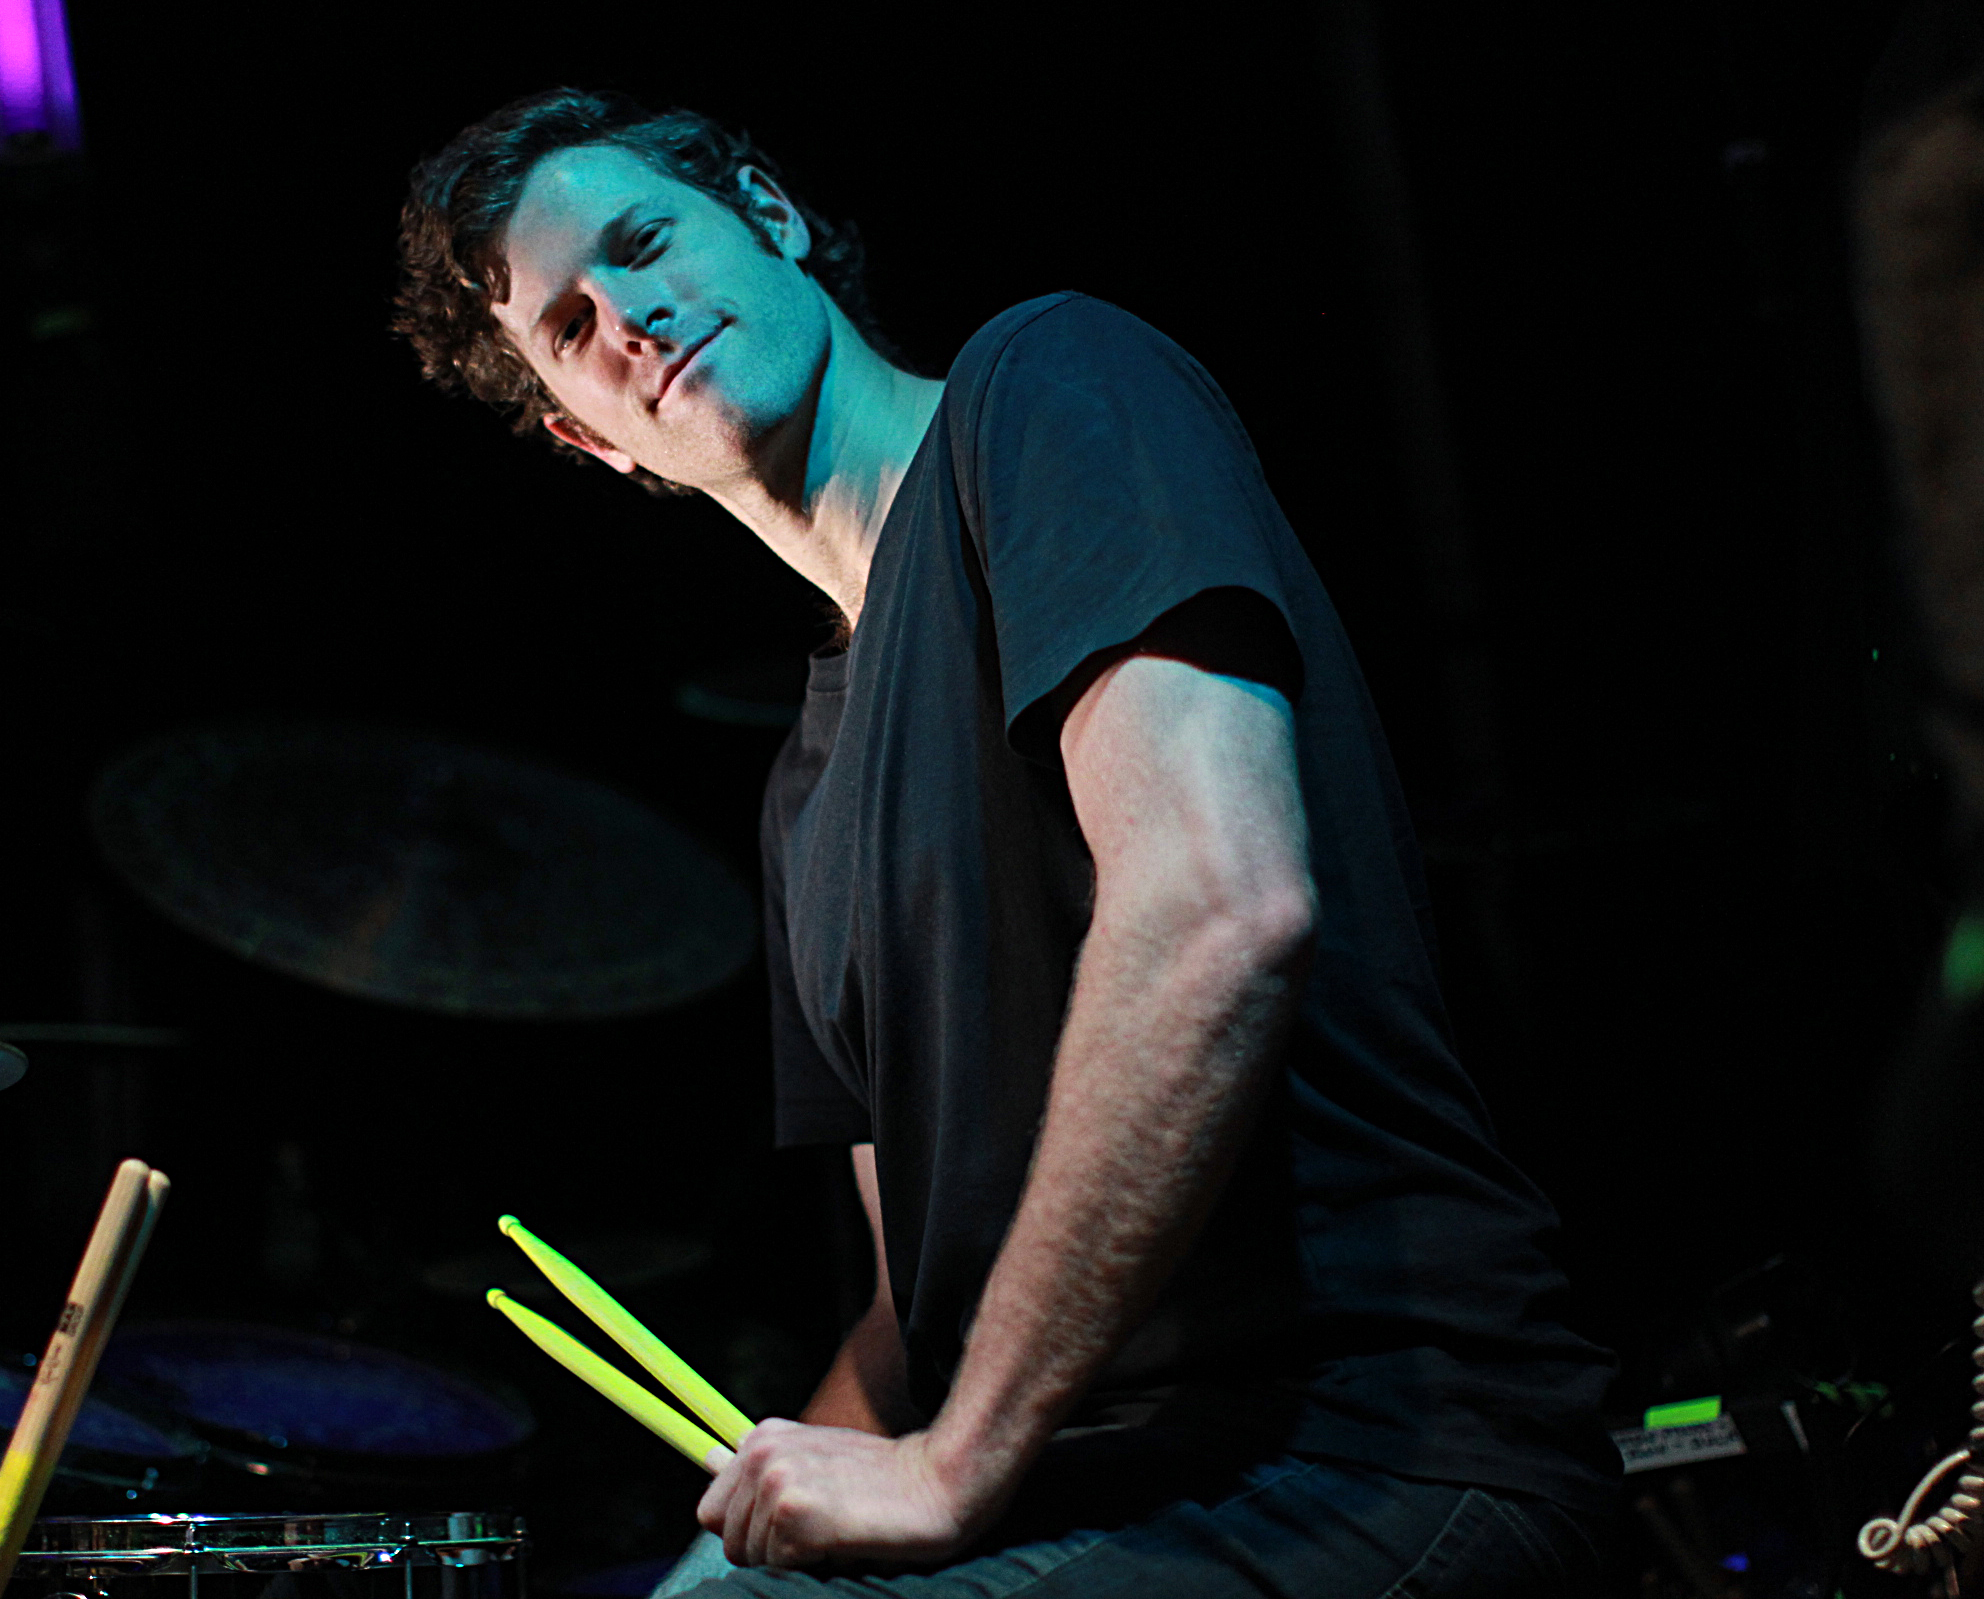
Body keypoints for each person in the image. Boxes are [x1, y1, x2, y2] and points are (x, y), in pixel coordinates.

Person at [392, 89, 1619, 1597]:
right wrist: (729, 1558)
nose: (629, 318)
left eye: (645, 246)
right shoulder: (803, 802)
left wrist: (954, 1464)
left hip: (1355, 1452)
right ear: (589, 439)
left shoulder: (1045, 386)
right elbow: (916, 1313)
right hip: (1071, 1487)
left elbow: (1221, 908)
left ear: (770, 216)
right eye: (571, 326)